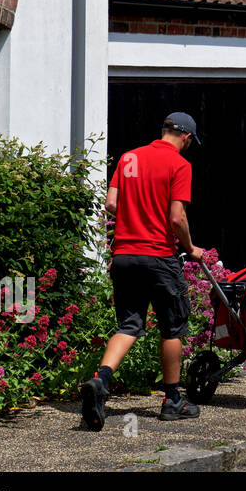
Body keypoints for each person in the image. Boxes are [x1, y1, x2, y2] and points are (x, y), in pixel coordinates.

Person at [81, 112, 206, 430]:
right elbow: (177, 218)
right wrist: (190, 249)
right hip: (159, 257)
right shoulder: (180, 165)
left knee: (129, 325)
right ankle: (172, 400)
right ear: (187, 138)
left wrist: (136, 215)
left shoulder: (129, 157)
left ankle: (101, 380)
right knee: (173, 328)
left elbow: (111, 204)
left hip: (124, 256)